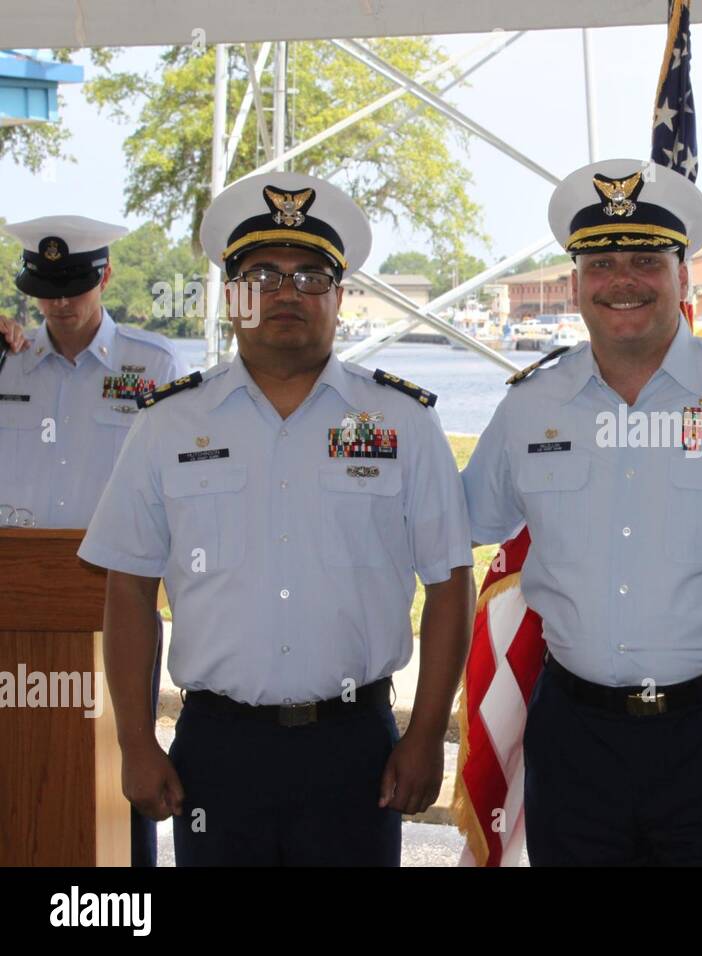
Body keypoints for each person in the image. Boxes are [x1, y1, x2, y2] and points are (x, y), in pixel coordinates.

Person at [77, 172, 474, 865]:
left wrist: (426, 733)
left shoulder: (402, 422)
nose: (286, 293)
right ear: (232, 297)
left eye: (311, 276)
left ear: (341, 299)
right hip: (218, 748)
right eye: (261, 275)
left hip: (357, 749)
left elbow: (450, 583)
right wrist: (136, 743)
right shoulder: (169, 425)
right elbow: (130, 588)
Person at [462, 159, 702, 865]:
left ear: (683, 277)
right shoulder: (531, 406)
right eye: (601, 263)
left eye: (646, 260)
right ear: (575, 285)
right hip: (576, 737)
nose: (622, 279)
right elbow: (457, 526)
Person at [0, 215, 187, 867]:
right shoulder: (7, 361)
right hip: (14, 613)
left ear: (103, 277)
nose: (58, 302)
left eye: (73, 285)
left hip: (118, 606)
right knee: (18, 780)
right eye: (44, 287)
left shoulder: (152, 364)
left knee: (121, 774)